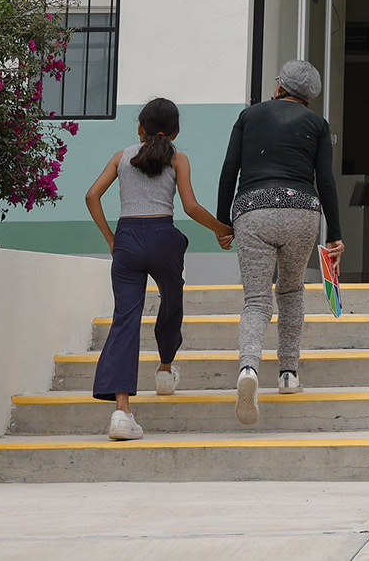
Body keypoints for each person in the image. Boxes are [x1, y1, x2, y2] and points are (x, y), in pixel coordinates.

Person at [83, 97, 232, 441]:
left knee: (125, 319)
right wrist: (222, 229)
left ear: (140, 128)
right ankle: (165, 367)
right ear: (176, 131)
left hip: (128, 238)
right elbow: (191, 207)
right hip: (163, 236)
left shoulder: (122, 156)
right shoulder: (178, 159)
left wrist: (110, 238)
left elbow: (92, 195)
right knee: (172, 301)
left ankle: (122, 413)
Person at [216, 58, 344, 426]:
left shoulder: (249, 116)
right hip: (302, 209)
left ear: (278, 88)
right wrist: (335, 234)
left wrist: (224, 222)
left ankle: (248, 370)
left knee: (257, 300)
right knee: (291, 291)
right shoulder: (318, 124)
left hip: (253, 209)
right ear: (309, 98)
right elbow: (326, 180)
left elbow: (230, 170)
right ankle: (288, 373)